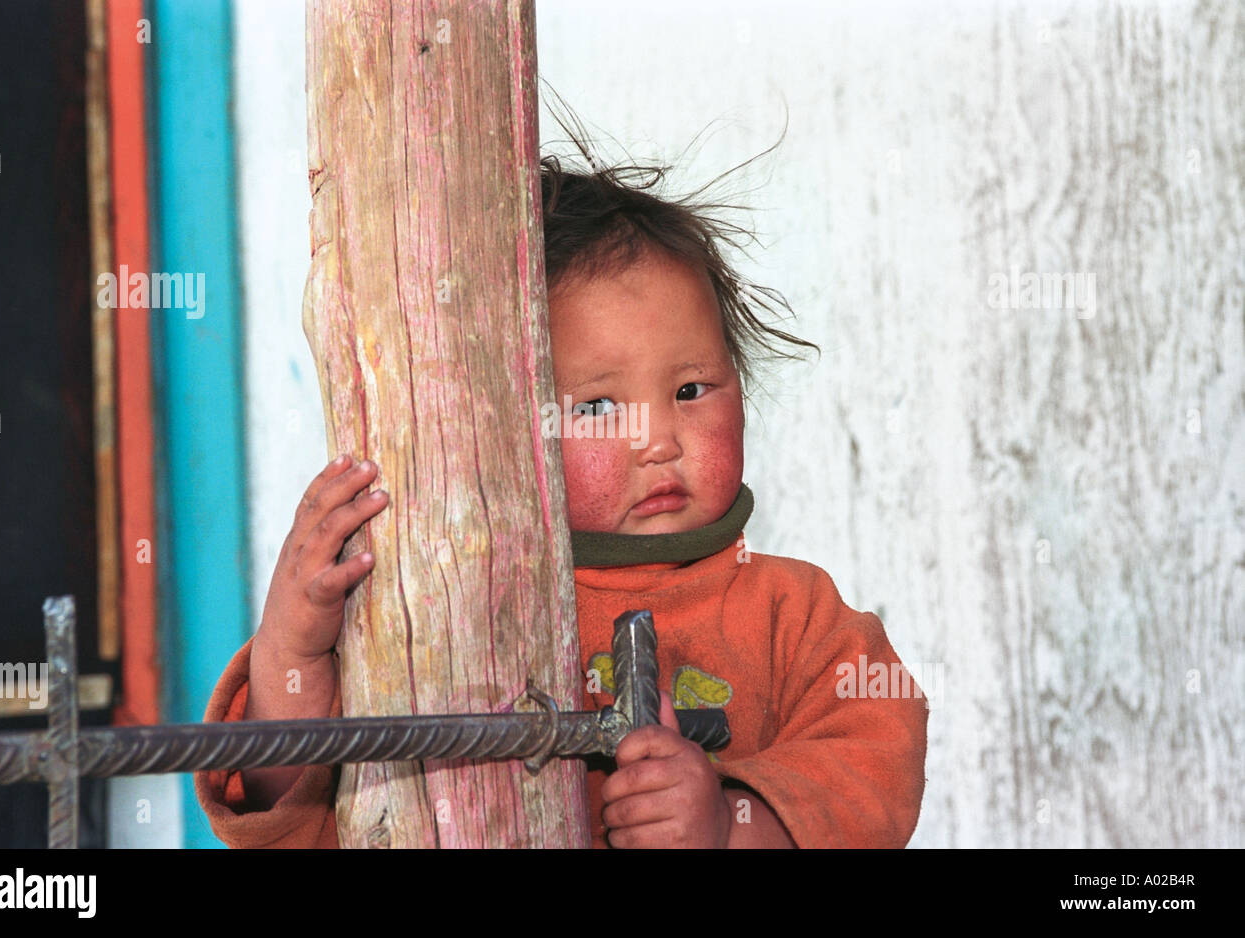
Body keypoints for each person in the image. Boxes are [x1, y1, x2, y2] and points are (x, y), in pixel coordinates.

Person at [195, 126, 929, 849]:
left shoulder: (792, 614)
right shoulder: (442, 611)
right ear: (506, 429)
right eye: (600, 408)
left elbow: (872, 765)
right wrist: (294, 647)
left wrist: (734, 825)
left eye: (692, 387)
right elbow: (281, 809)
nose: (659, 440)